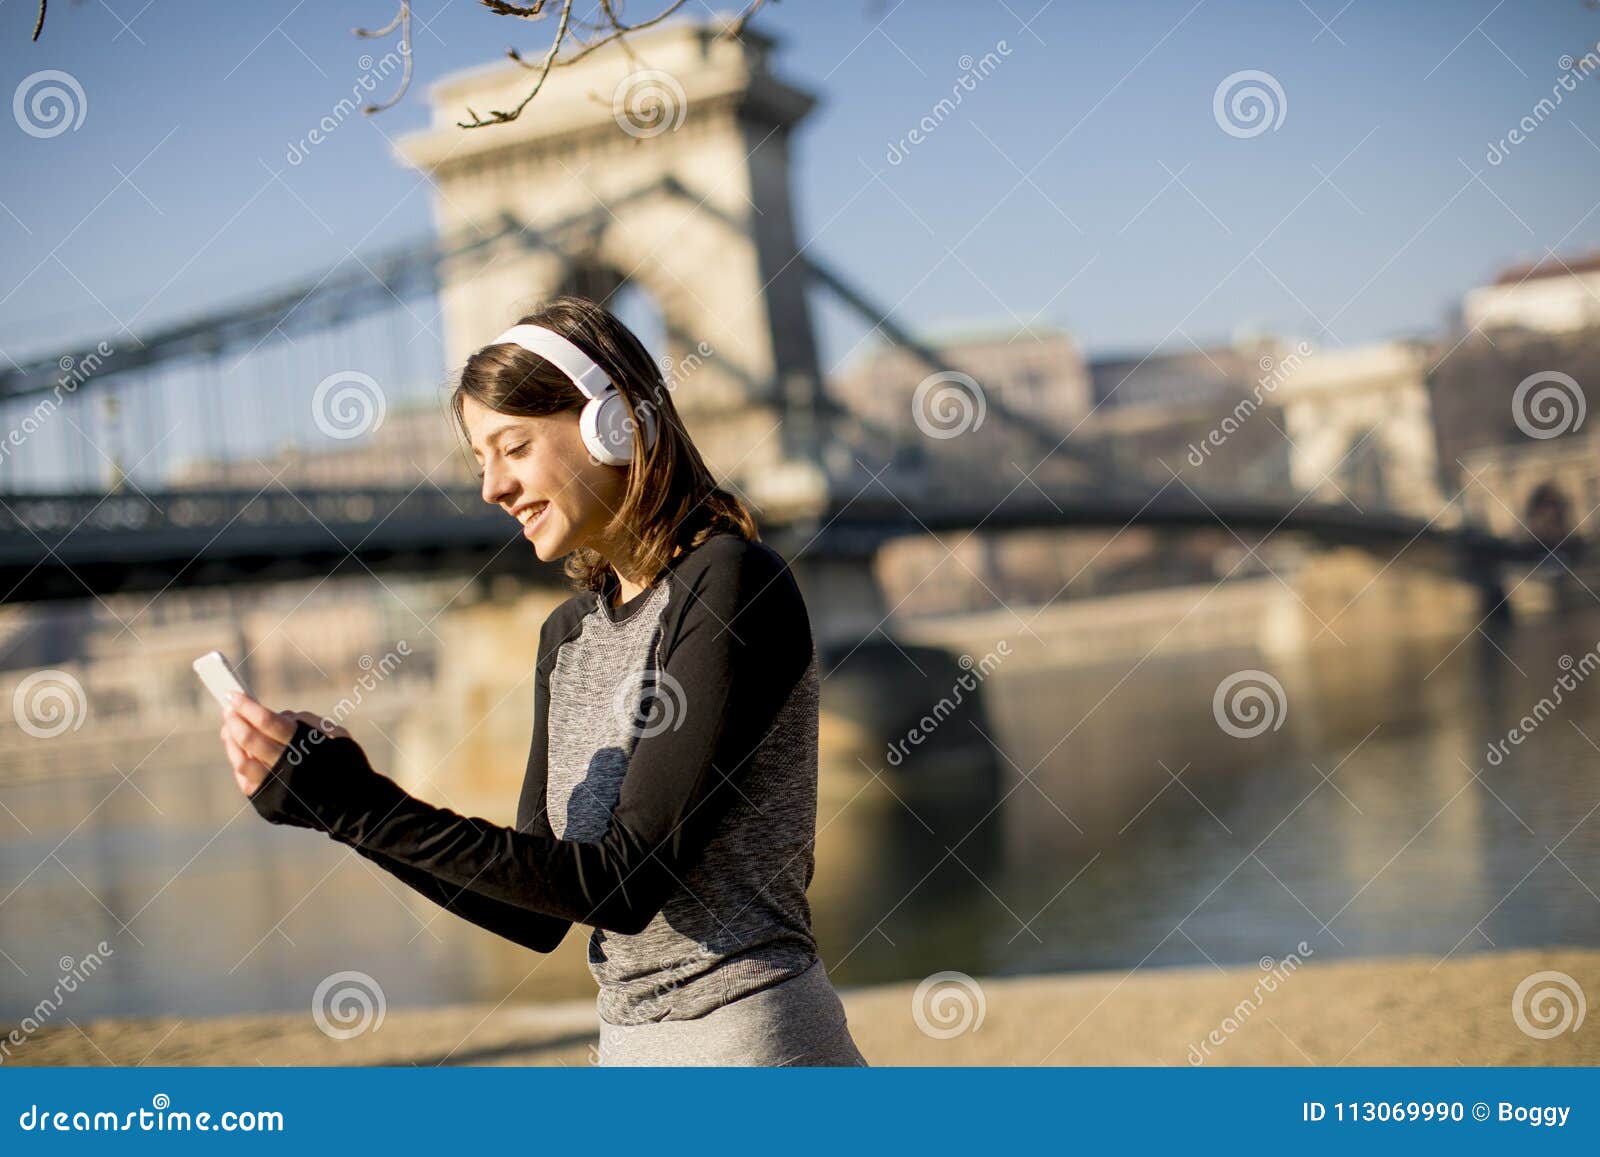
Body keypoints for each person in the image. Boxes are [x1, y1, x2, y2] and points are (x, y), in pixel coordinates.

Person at [217, 294, 867, 1067]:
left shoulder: (731, 582)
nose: (491, 487)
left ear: (614, 421)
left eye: (514, 447)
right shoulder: (567, 637)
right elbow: (535, 913)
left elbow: (623, 883)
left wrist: (359, 803)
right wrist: (337, 806)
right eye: (480, 460)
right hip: (627, 1056)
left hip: (755, 1054)